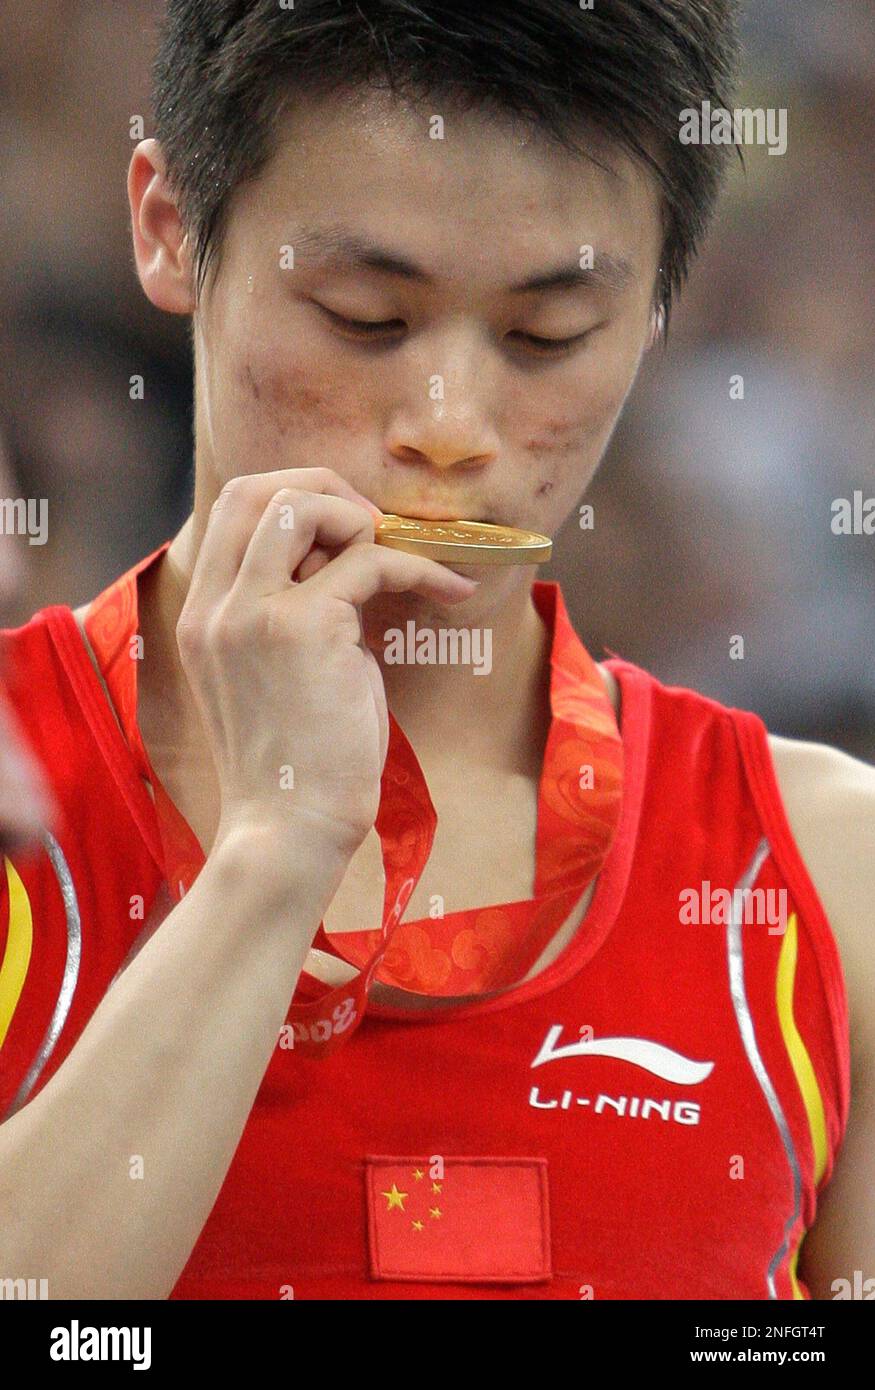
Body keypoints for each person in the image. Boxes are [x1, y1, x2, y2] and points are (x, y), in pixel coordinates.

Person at [0, 0, 872, 1301]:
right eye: (365, 317)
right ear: (169, 225)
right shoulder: (17, 785)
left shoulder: (823, 869)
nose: (451, 428)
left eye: (547, 338)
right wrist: (279, 849)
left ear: (660, 310)